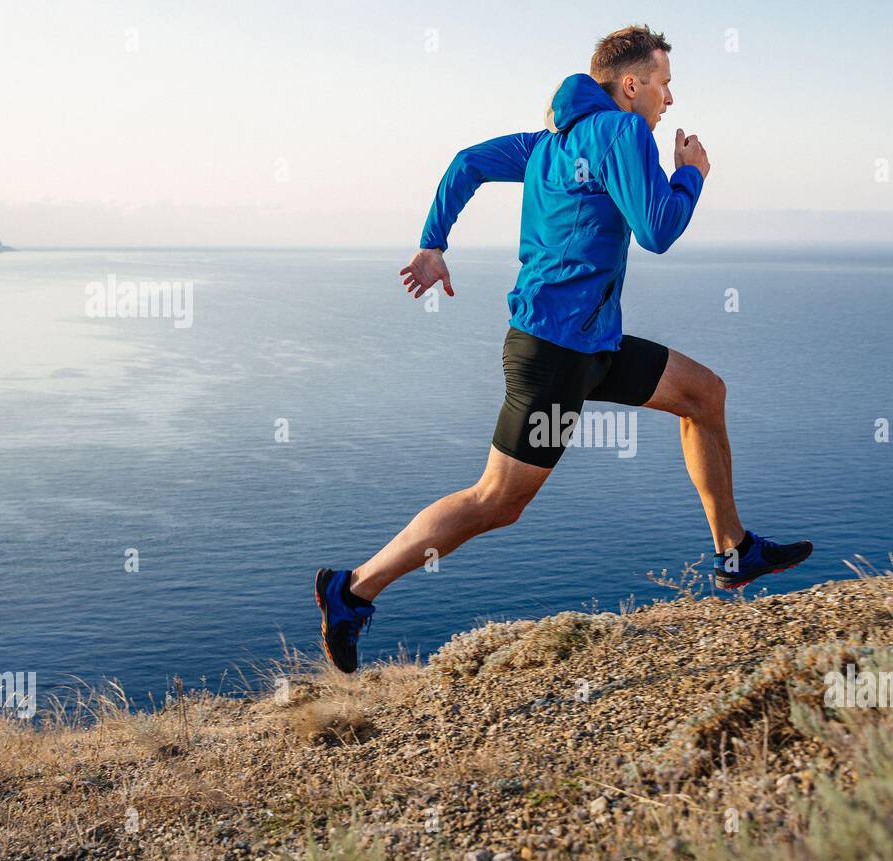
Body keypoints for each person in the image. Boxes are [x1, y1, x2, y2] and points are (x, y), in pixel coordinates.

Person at [315, 25, 811, 672]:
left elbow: (468, 161)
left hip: (589, 346)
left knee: (703, 394)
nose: (669, 100)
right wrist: (689, 175)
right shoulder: (622, 133)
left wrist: (434, 241)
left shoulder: (550, 144)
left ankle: (733, 549)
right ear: (631, 85)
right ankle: (351, 590)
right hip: (556, 355)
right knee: (497, 502)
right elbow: (658, 229)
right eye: (663, 85)